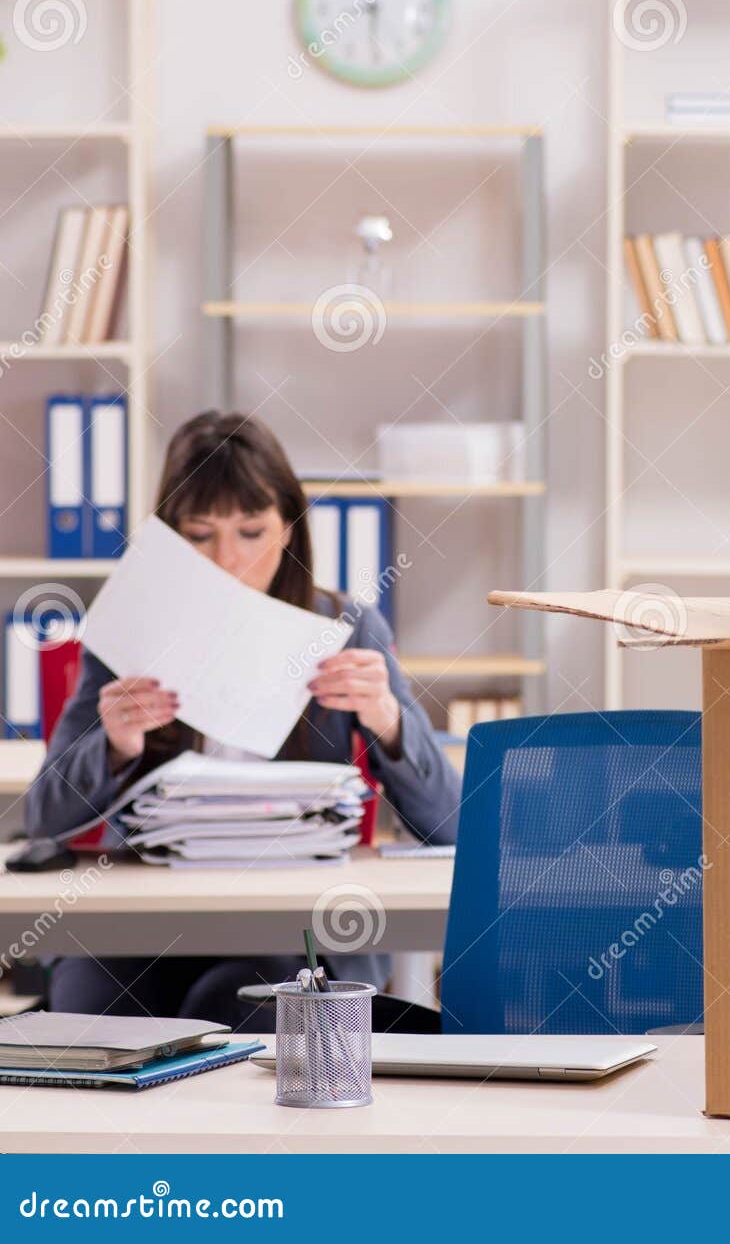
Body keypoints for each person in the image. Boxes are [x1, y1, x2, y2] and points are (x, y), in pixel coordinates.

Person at [26, 410, 461, 1025]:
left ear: (288, 528)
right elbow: (44, 818)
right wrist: (115, 744)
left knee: (238, 1009)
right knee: (88, 1019)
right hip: (142, 923)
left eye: (251, 532)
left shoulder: (345, 627)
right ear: (169, 537)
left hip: (295, 925)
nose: (227, 560)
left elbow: (452, 826)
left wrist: (387, 718)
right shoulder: (129, 629)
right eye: (201, 535)